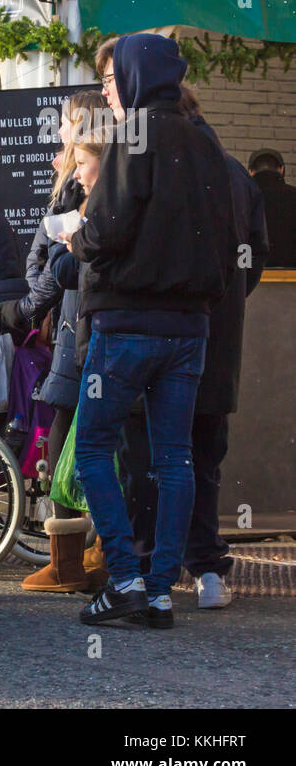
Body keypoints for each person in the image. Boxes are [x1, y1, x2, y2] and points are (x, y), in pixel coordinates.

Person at [65, 33, 236, 629]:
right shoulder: (205, 141)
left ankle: (126, 579)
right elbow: (229, 239)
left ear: (136, 76)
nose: (110, 89)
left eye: (115, 77)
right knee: (175, 457)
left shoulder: (132, 135)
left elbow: (105, 231)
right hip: (190, 329)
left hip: (126, 325)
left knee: (94, 449)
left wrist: (76, 238)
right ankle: (161, 592)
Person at [122, 86, 269, 609]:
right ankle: (206, 567)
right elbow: (253, 258)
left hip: (153, 337)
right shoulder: (234, 173)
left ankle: (144, 566)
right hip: (215, 339)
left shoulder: (151, 165)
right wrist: (220, 302)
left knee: (146, 458)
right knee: (201, 457)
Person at [23, 134, 110, 593]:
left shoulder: (94, 206)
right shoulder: (86, 198)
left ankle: (77, 563)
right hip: (81, 333)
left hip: (86, 335)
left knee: (80, 441)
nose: (68, 166)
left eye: (77, 158)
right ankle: (98, 558)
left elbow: (59, 270)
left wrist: (64, 242)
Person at [0, 90, 107, 334]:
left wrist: (30, 306)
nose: (59, 132)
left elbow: (59, 257)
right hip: (61, 308)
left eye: (64, 123)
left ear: (81, 126)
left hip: (72, 313)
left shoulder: (80, 185)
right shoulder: (70, 178)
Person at [248, 148, 295, 266]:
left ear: (250, 172)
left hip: (250, 271)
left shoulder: (239, 198)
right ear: (281, 169)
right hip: (291, 272)